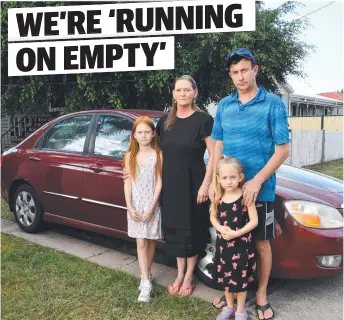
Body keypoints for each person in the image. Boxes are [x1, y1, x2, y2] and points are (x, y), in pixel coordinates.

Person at [210, 48, 290, 320]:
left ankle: (261, 295)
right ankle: (231, 291)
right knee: (228, 243)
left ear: (255, 69)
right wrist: (212, 182)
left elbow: (282, 149)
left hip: (261, 189)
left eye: (244, 70)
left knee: (261, 244)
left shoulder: (273, 104)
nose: (240, 77)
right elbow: (217, 145)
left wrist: (256, 180)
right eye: (234, 72)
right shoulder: (224, 105)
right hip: (227, 191)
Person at [155, 75, 214, 296]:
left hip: (193, 184)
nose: (182, 94)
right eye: (178, 90)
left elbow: (215, 155)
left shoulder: (204, 120)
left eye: (187, 90)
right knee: (176, 231)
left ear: (195, 93)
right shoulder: (165, 121)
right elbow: (153, 152)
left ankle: (189, 276)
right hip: (170, 184)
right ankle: (179, 273)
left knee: (191, 231)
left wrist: (206, 184)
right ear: (173, 94)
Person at [211, 156, 258, 320]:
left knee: (240, 279)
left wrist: (236, 233)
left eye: (233, 177)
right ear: (218, 179)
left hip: (241, 246)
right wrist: (219, 228)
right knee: (226, 279)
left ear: (240, 177)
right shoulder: (218, 197)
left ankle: (240, 310)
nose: (229, 181)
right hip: (224, 247)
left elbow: (254, 221)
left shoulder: (245, 198)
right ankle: (229, 307)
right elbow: (213, 217)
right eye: (225, 178)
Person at [123, 116, 163, 303]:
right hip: (136, 206)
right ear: (134, 135)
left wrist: (152, 207)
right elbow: (128, 182)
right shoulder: (130, 155)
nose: (144, 135)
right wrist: (129, 206)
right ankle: (145, 282)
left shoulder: (158, 155)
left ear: (153, 134)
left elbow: (159, 183)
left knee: (151, 241)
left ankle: (145, 273)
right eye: (140, 132)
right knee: (140, 243)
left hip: (152, 205)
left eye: (147, 132)